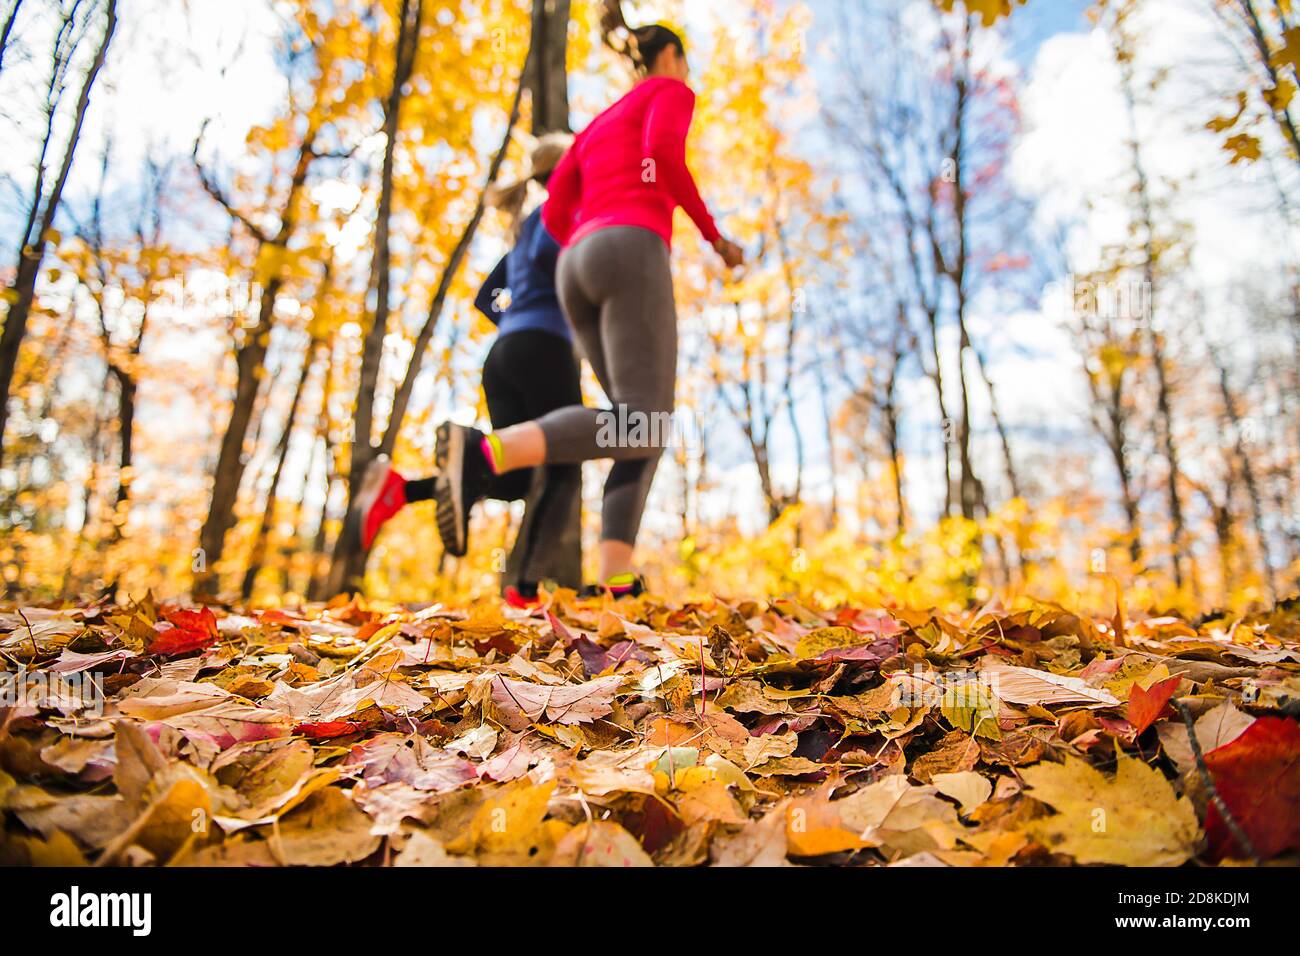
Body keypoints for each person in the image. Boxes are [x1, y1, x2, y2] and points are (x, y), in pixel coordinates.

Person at [432, 24, 745, 599]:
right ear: (670, 56)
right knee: (647, 421)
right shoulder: (668, 92)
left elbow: (554, 218)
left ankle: (617, 581)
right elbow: (663, 157)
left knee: (637, 428)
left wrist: (591, 242)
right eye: (685, 59)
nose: (687, 71)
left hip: (576, 264)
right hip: (631, 249)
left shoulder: (596, 125)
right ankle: (483, 452)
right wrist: (715, 238)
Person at [355, 134, 583, 609]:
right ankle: (523, 592)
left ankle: (402, 489)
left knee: (516, 476)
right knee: (565, 467)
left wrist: (517, 323)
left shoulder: (524, 231)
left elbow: (484, 297)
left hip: (503, 356)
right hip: (545, 350)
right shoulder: (559, 214)